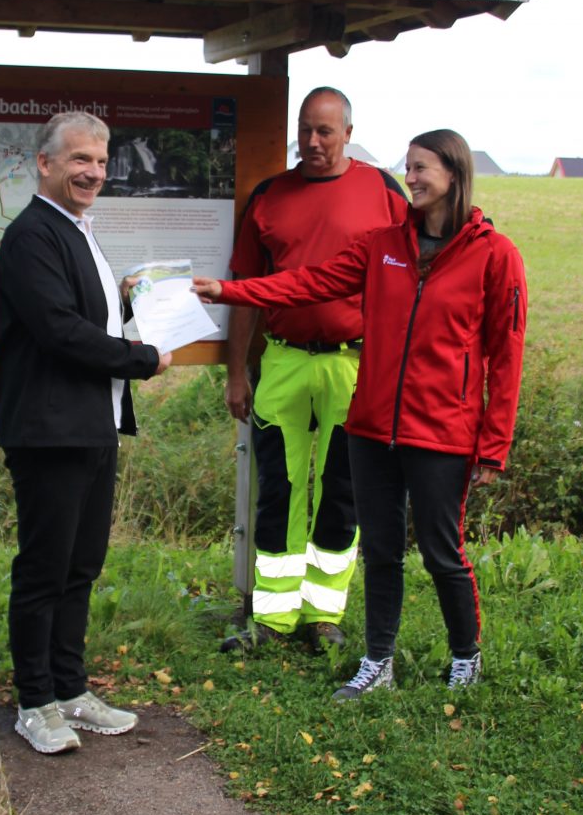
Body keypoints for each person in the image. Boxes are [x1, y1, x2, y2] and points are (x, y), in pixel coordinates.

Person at [195, 129, 526, 696]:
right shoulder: (383, 245)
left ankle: (465, 657)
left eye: (421, 169)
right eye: (410, 168)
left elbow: (507, 356)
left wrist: (492, 445)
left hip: (442, 432)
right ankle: (378, 661)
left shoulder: (496, 255)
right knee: (380, 551)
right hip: (371, 426)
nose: (412, 178)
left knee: (444, 554)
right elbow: (311, 282)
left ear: (454, 173)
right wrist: (229, 291)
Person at [0, 111, 172, 755]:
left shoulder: (75, 230)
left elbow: (89, 313)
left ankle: (70, 689)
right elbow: (60, 331)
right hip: (48, 431)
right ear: (45, 164)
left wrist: (136, 301)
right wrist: (141, 359)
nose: (93, 172)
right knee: (45, 570)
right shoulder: (31, 236)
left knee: (80, 566)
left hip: (91, 424)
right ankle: (35, 701)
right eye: (79, 160)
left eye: (99, 161)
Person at [221, 87, 407, 653]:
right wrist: (236, 373)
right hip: (282, 360)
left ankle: (325, 614)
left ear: (348, 132)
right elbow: (246, 292)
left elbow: (410, 280)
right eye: (304, 130)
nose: (312, 142)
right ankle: (273, 618)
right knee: (277, 486)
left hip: (355, 364)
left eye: (325, 131)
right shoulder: (270, 196)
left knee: (344, 489)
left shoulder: (382, 191)